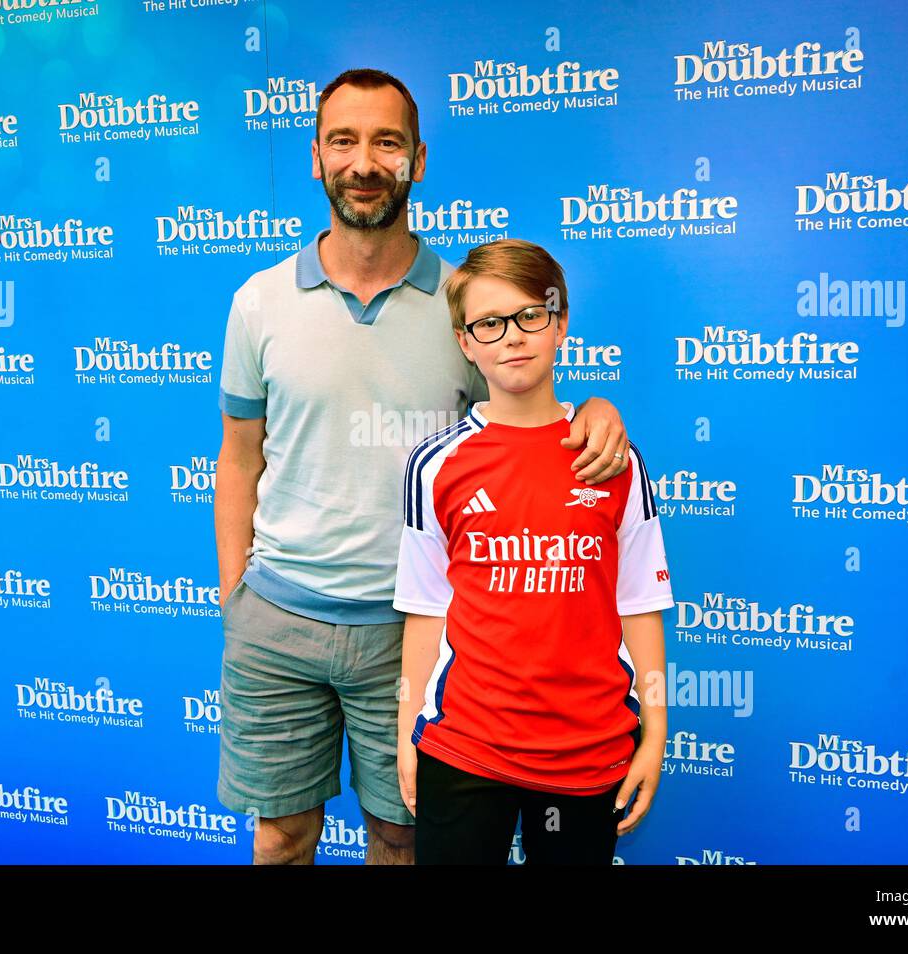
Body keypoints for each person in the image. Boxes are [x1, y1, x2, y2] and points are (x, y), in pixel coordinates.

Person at [214, 69, 634, 866]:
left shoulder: (463, 301)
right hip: (277, 623)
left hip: (415, 635)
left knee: (400, 839)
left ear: (418, 159)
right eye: (343, 140)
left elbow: (525, 415)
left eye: (386, 142)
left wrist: (596, 411)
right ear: (316, 157)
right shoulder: (258, 303)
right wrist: (237, 592)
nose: (363, 161)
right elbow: (239, 458)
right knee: (280, 837)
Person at [393, 238, 673, 865]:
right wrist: (406, 734)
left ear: (560, 323)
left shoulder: (612, 460)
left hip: (585, 751)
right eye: (489, 324)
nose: (512, 337)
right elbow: (424, 611)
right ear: (466, 343)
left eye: (530, 315)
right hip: (464, 748)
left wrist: (654, 732)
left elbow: (640, 603)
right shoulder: (433, 466)